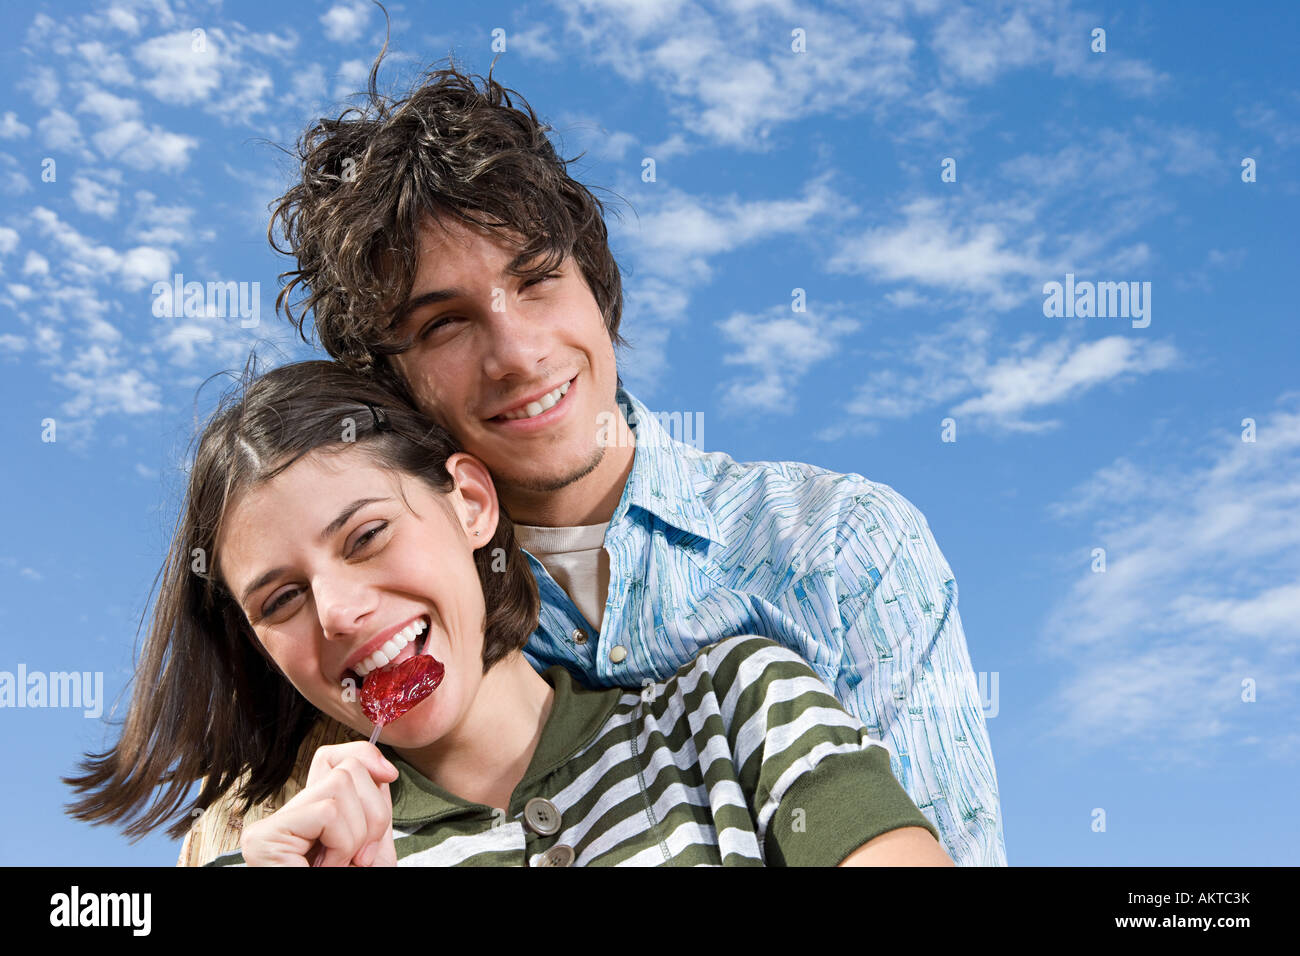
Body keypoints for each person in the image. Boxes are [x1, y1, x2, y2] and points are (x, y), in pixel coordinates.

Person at [245, 52, 1009, 867]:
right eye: (443, 325)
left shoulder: (842, 545)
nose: (518, 351)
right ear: (390, 388)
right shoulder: (398, 638)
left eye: (538, 279)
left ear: (596, 283)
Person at [65, 360, 951, 866]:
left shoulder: (739, 707)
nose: (336, 611)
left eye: (366, 534)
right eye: (282, 599)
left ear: (470, 504)